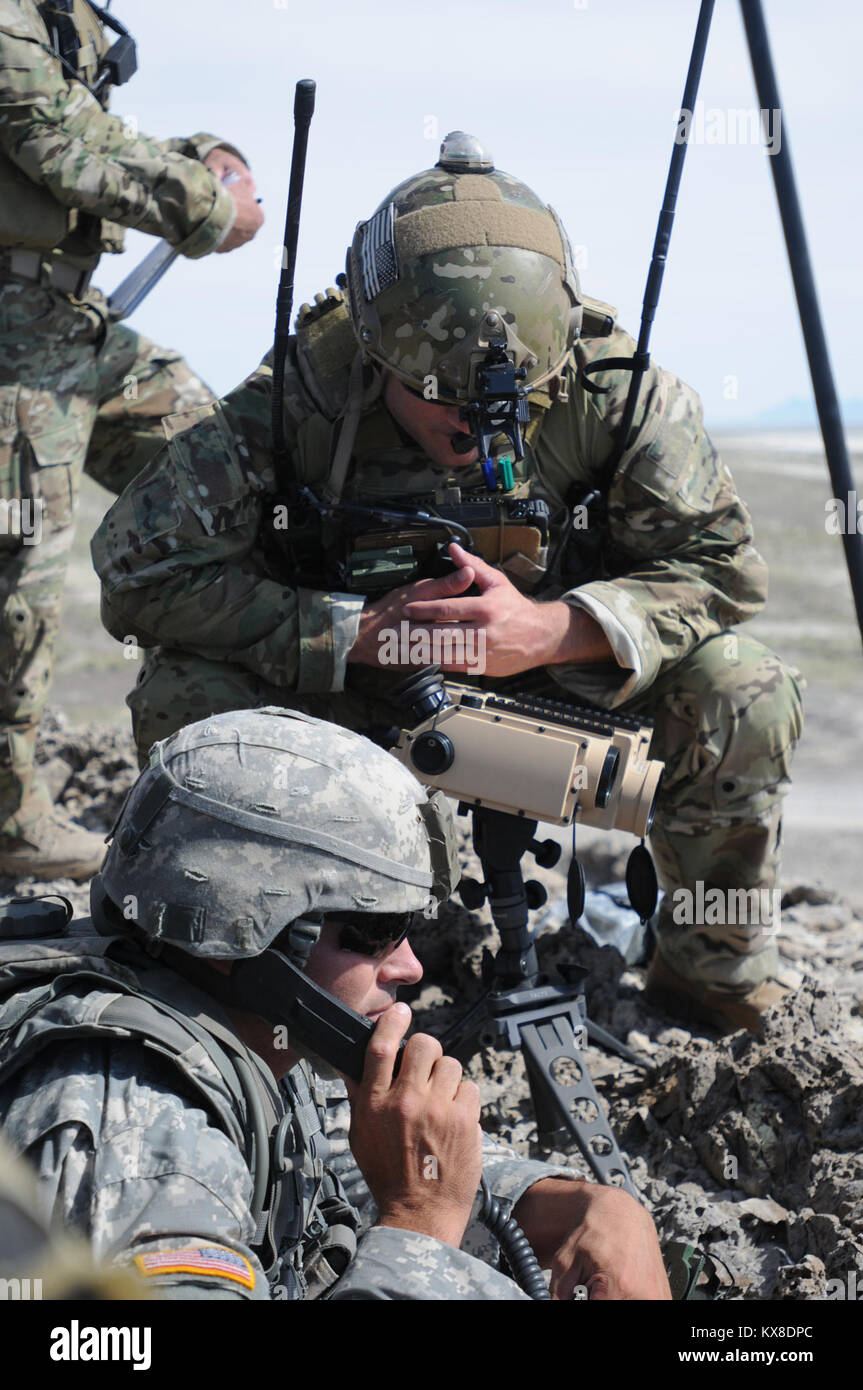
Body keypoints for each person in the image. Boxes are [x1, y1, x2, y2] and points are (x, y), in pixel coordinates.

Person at [91, 131, 804, 1034]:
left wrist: (558, 630)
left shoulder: (614, 397)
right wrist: (344, 633)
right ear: (377, 357)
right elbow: (138, 569)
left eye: (500, 409)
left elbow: (723, 566)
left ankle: (709, 975)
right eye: (441, 402)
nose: (475, 435)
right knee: (189, 697)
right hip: (358, 696)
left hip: (558, 682)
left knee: (745, 688)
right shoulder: (298, 403)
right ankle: (245, 975)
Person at [0, 706, 670, 1300]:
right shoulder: (140, 1130)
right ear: (239, 931)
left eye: (410, 932)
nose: (407, 966)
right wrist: (419, 1227)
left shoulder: (253, 1033)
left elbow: (339, 1147)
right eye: (370, 934)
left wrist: (580, 1206)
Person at [0, 0, 264, 881]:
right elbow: (55, 140)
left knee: (211, 464)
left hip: (67, 321)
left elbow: (92, 127)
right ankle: (8, 819)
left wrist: (201, 156)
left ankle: (215, 752)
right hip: (12, 334)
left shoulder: (62, 16)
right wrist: (203, 201)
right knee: (20, 580)